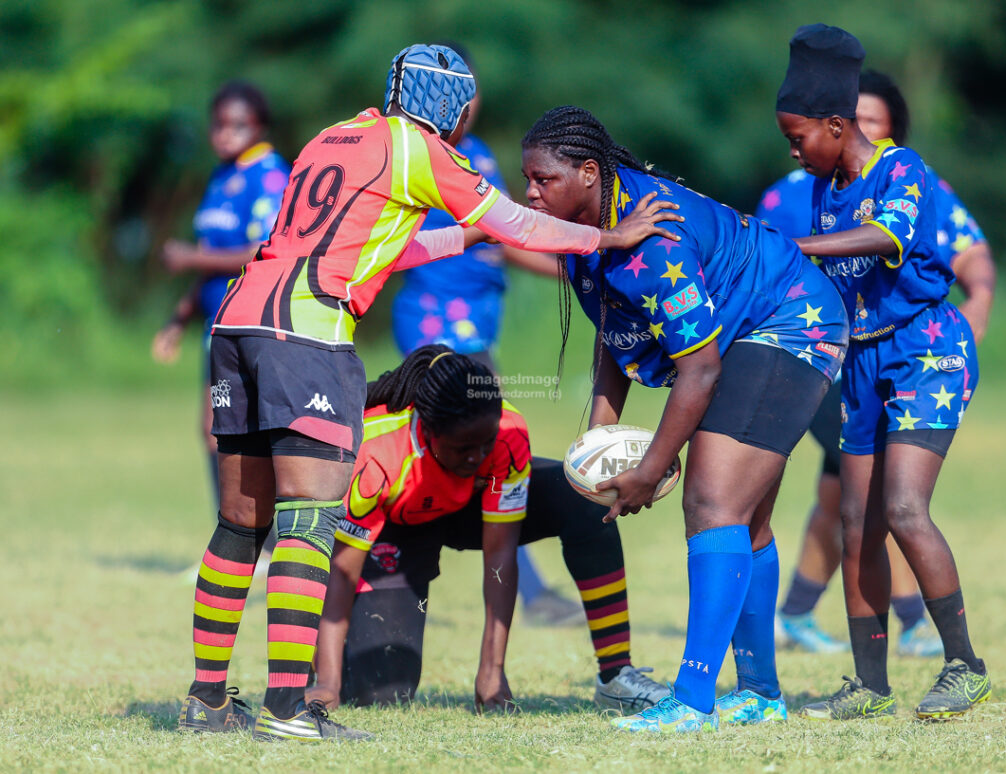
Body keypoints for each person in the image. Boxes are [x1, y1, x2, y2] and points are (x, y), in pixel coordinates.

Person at [177, 43, 682, 743]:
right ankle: (288, 711)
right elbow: (520, 224)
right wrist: (605, 236)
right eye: (466, 109)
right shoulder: (421, 149)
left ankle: (206, 701)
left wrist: (460, 237)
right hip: (306, 335)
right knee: (307, 522)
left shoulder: (335, 137)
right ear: (450, 106)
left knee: (240, 522)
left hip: (238, 322)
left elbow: (375, 251)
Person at [521, 106, 849, 734]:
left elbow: (699, 371)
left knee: (711, 501)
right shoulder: (586, 232)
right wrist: (599, 436)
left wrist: (649, 469)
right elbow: (616, 333)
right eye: (527, 179)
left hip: (791, 321)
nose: (531, 193)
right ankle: (760, 694)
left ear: (589, 173)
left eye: (544, 179)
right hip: (748, 330)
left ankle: (693, 700)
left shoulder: (653, 245)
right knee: (744, 516)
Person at [775, 23, 991, 720]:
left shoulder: (903, 170)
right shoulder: (825, 187)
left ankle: (964, 666)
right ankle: (869, 685)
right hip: (861, 360)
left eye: (798, 137)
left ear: (837, 126)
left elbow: (885, 236)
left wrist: (792, 248)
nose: (793, 151)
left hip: (925, 349)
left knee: (902, 509)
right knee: (855, 521)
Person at [307, 345, 671, 713]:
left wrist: (492, 670)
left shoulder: (506, 432)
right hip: (399, 525)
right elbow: (341, 574)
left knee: (586, 504)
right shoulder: (376, 452)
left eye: (485, 445)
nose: (477, 457)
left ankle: (615, 673)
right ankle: (311, 663)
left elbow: (500, 554)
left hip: (469, 508)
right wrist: (327, 683)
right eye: (463, 448)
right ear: (428, 429)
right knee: (380, 694)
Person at [390, 44, 581, 628]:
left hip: (477, 315)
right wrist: (588, 251)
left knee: (473, 443)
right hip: (437, 317)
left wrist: (570, 270)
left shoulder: (479, 157)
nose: (467, 103)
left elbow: (501, 237)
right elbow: (501, 233)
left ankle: (397, 569)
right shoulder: (422, 156)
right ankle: (529, 593)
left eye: (471, 91)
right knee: (489, 439)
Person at [151, 81, 290, 508]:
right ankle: (233, 530)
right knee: (214, 428)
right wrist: (179, 317)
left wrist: (189, 257)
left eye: (238, 125)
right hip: (217, 323)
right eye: (219, 124)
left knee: (252, 430)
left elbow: (263, 250)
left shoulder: (269, 174)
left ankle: (263, 532)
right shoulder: (221, 176)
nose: (226, 133)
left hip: (255, 321)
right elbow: (210, 260)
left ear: (260, 126)